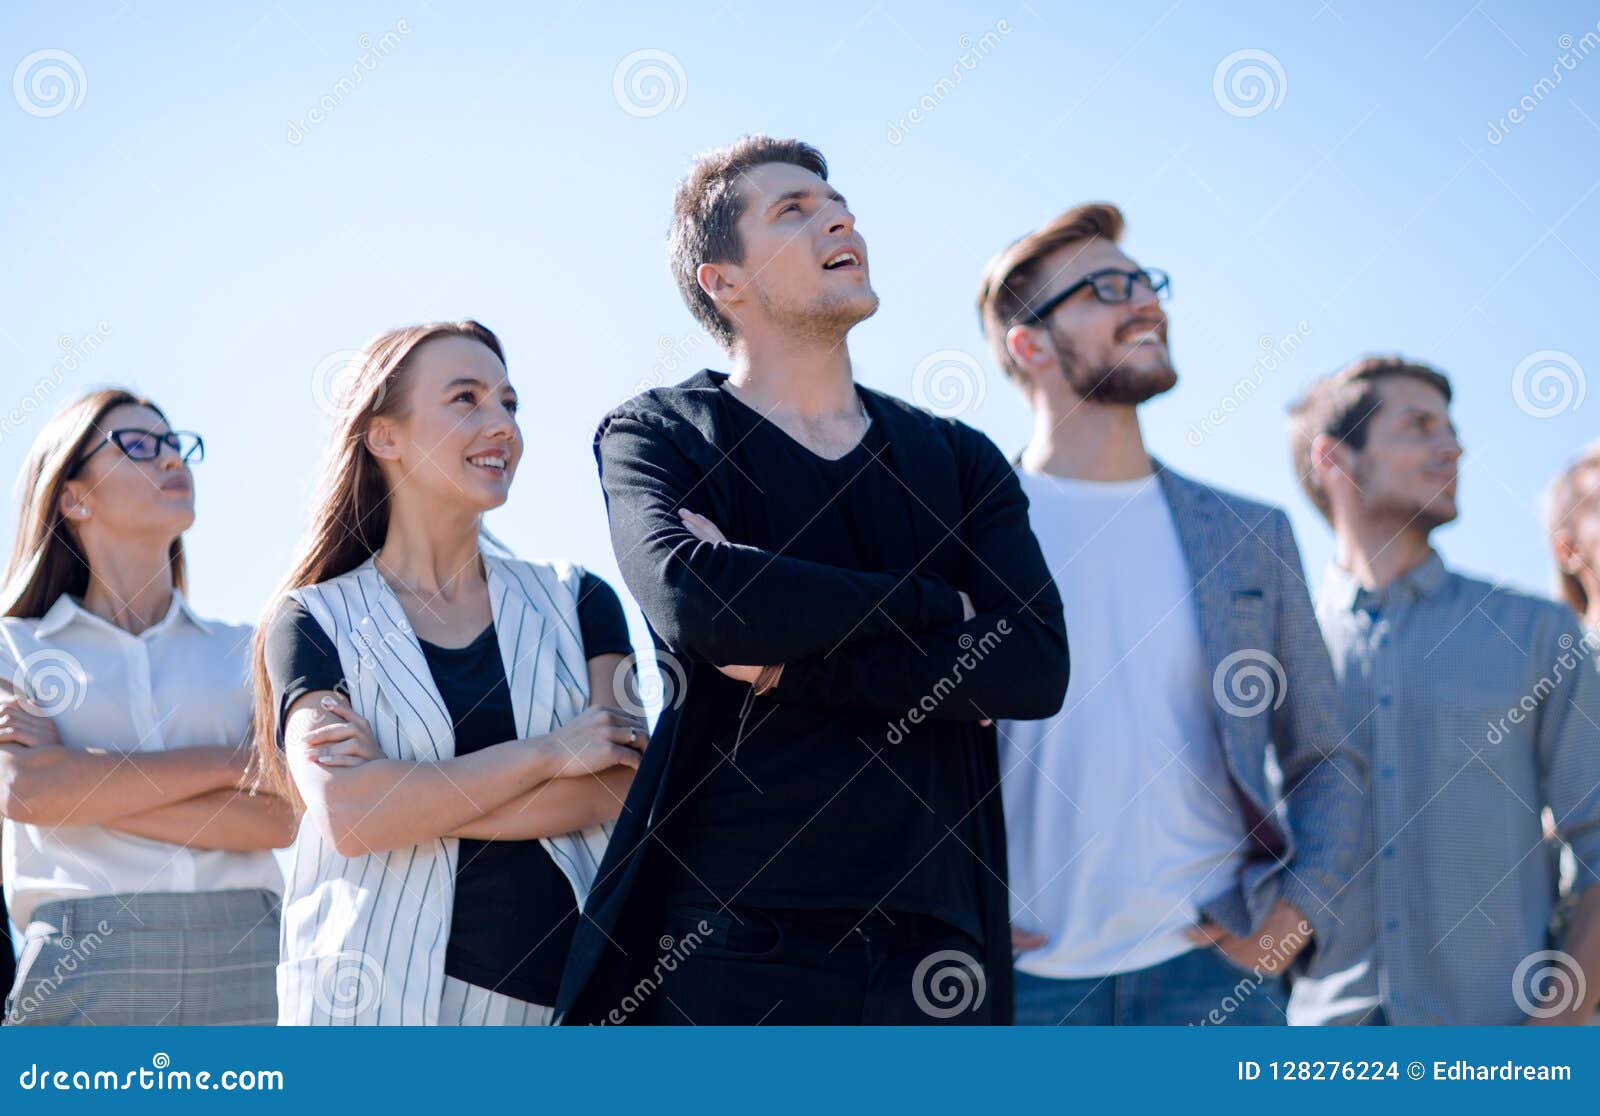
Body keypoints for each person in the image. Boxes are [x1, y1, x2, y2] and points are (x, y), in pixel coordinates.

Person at [556, 136, 1069, 1026]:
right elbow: (701, 605)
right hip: (731, 933)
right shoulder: (657, 434)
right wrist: (935, 606)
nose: (840, 220)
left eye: (839, 205)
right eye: (792, 211)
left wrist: (790, 666)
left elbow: (1032, 665)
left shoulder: (958, 458)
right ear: (724, 281)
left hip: (935, 947)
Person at [976, 203, 1363, 1026]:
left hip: (1211, 977)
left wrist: (1293, 920)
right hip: (1017, 989)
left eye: (1145, 282)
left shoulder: (1249, 536)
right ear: (1030, 345)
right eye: (1105, 289)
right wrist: (942, 916)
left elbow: (1326, 756)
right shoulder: (961, 533)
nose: (1146, 303)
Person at [255, 320, 645, 1025]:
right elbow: (348, 816)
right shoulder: (311, 620)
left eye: (510, 403)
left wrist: (405, 800)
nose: (502, 426)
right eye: (466, 399)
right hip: (374, 1015)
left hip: (573, 1005)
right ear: (384, 436)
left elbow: (623, 787)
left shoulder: (580, 599)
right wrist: (553, 753)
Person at [1286, 356, 1600, 1025]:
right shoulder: (1284, 652)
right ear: (1335, 459)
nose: (1452, 447)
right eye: (1419, 426)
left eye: (1451, 429)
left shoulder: (1536, 632)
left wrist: (1556, 1030)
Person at [0, 388, 292, 1025]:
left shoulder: (249, 649)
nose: (171, 459)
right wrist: (229, 764)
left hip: (250, 951)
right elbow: (29, 793)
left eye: (175, 445)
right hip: (80, 959)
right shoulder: (10, 648)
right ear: (74, 497)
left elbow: (277, 821)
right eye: (138, 445)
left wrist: (80, 787)